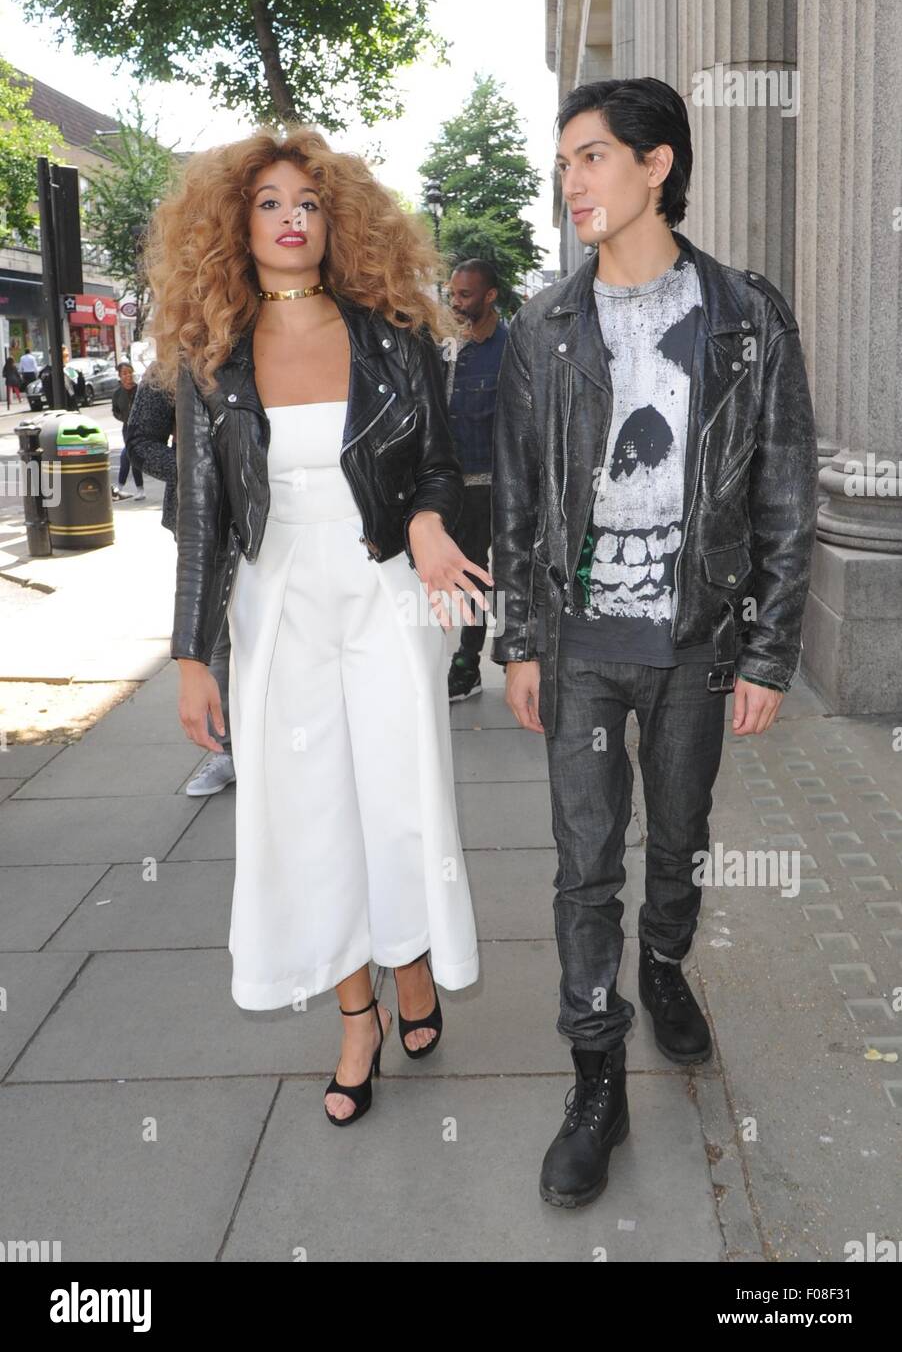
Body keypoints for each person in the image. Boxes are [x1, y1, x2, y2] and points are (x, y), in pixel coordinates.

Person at [491, 76, 818, 1207]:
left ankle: (666, 966)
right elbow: (520, 504)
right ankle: (595, 1076)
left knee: (675, 839)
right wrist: (519, 642)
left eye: (589, 157)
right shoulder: (544, 325)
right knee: (584, 865)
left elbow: (783, 492)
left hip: (691, 644)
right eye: (564, 160)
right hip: (581, 646)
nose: (570, 180)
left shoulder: (743, 317)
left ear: (654, 165)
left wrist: (768, 652)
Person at [144, 126, 490, 1126]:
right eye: (268, 202)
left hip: (385, 589)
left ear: (333, 219)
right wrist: (189, 656)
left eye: (307, 200)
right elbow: (204, 516)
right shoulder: (212, 355)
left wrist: (425, 521)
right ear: (236, 225)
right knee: (306, 812)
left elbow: (435, 464)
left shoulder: (391, 333)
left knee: (398, 795)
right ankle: (357, 1016)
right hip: (276, 598)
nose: (290, 216)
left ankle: (412, 960)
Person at [128, 371, 236, 795]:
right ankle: (227, 751)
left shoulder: (270, 332)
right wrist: (196, 469)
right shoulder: (169, 365)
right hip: (202, 520)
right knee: (218, 640)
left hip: (280, 515)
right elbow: (140, 441)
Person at [445, 260, 508, 701]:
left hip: (506, 485)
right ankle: (468, 662)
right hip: (457, 485)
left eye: (465, 295)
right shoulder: (447, 347)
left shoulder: (513, 345)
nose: (456, 302)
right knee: (470, 576)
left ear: (490, 296)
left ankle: (514, 659)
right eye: (453, 294)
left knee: (512, 574)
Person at [110, 360, 145, 499]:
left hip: (141, 428)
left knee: (128, 454)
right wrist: (124, 418)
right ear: (120, 376)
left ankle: (120, 487)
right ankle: (139, 490)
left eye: (130, 372)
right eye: (124, 373)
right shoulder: (118, 393)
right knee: (131, 456)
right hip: (127, 428)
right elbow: (115, 411)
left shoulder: (140, 390)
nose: (128, 375)